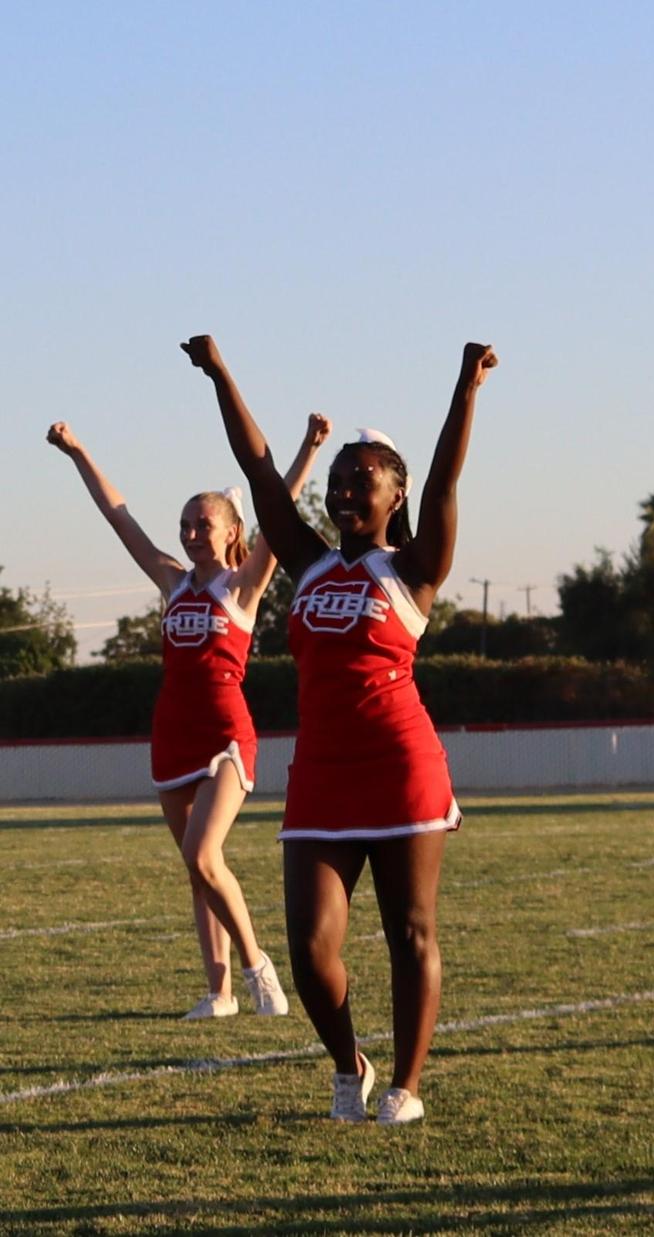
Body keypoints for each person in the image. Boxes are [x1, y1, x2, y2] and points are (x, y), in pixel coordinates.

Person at [186, 332, 497, 1125]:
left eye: (363, 481)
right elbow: (261, 471)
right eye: (338, 481)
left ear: (396, 495)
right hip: (322, 773)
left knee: (410, 932)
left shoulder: (414, 569)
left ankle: (406, 1085)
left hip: (400, 765)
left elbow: (447, 477)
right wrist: (221, 373)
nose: (345, 491)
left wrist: (465, 385)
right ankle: (348, 1062)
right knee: (309, 947)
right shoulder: (312, 562)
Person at [46, 414, 328, 1020]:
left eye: (203, 524)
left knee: (204, 854)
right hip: (171, 733)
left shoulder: (243, 585)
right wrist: (77, 451)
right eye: (185, 526)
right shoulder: (171, 582)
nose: (191, 534)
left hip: (226, 735)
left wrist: (307, 449)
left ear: (231, 532)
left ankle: (257, 968)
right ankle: (219, 993)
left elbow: (279, 512)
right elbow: (119, 516)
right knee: (196, 871)